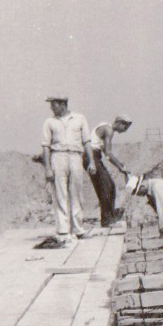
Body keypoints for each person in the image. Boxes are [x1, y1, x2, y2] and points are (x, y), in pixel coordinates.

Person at [41, 94, 96, 246]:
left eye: (54, 105)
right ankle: (63, 230)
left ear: (62, 104)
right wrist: (47, 168)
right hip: (57, 157)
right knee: (60, 194)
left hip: (76, 157)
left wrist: (91, 162)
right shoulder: (49, 122)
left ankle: (78, 229)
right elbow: (45, 146)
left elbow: (86, 141)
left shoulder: (79, 118)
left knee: (77, 193)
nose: (51, 108)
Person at [87, 115, 133, 227]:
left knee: (110, 186)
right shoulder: (108, 130)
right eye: (125, 127)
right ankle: (107, 221)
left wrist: (120, 164)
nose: (125, 131)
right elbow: (108, 154)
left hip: (93, 156)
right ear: (119, 123)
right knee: (106, 186)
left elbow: (106, 154)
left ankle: (108, 218)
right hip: (91, 157)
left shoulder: (105, 128)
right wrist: (121, 168)